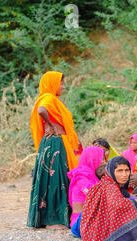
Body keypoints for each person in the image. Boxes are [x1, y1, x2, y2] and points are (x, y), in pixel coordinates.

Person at [28, 71, 80, 229]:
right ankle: (54, 220)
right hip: (55, 144)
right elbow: (41, 110)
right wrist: (51, 125)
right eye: (61, 84)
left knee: (55, 179)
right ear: (52, 84)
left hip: (53, 144)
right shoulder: (48, 98)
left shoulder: (52, 99)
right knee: (56, 180)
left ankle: (53, 218)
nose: (63, 87)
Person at [67, 146, 105, 237]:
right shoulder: (82, 178)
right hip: (81, 223)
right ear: (93, 160)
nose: (104, 162)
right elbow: (96, 196)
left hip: (89, 219)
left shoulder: (91, 175)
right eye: (102, 159)